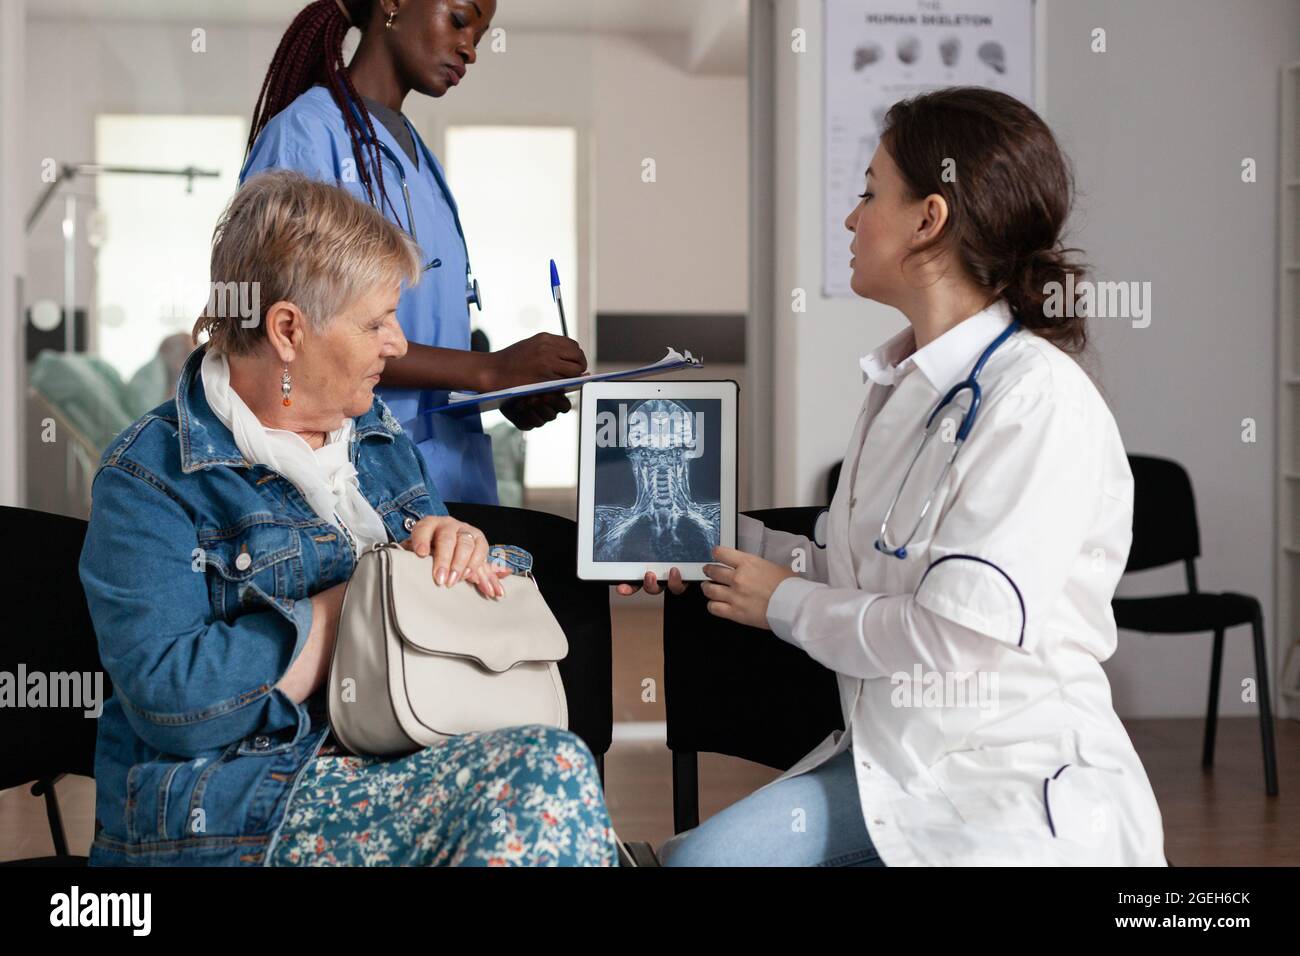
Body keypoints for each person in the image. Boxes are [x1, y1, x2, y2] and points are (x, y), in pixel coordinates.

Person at [623, 87, 1166, 867]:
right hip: (894, 763)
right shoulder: (905, 383)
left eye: (869, 193)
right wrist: (704, 536)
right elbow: (862, 574)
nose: (852, 219)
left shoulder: (1037, 402)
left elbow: (950, 639)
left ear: (928, 219)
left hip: (1006, 783)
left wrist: (783, 602)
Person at [79, 170, 618, 866]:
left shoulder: (379, 438)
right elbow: (175, 702)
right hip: (238, 804)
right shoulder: (148, 477)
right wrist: (359, 604)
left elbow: (441, 628)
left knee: (552, 784)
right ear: (287, 330)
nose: (398, 344)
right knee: (550, 781)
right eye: (376, 322)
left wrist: (461, 552)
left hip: (401, 757)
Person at [241, 0, 585, 505]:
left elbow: (425, 340)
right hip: (357, 487)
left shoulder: (423, 163)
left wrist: (497, 389)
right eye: (460, 20)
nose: (470, 49)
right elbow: (296, 333)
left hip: (452, 483)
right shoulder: (305, 136)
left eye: (480, 37)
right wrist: (487, 369)